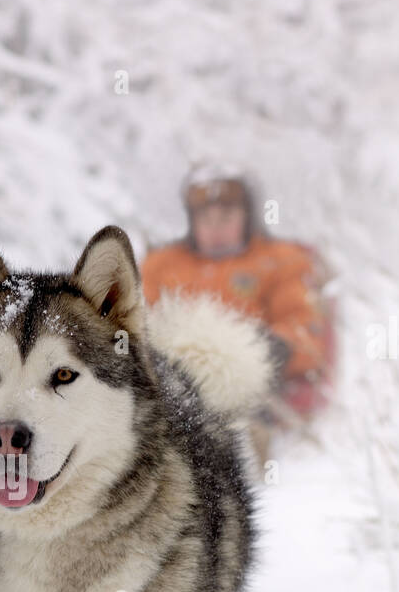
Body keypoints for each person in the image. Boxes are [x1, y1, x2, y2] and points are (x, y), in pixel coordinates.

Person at [142, 167, 335, 429]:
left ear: (248, 216)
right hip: (175, 393)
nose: (216, 228)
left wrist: (271, 347)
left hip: (259, 395)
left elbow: (306, 329)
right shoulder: (161, 266)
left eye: (226, 217)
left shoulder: (282, 260)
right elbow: (137, 323)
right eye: (206, 219)